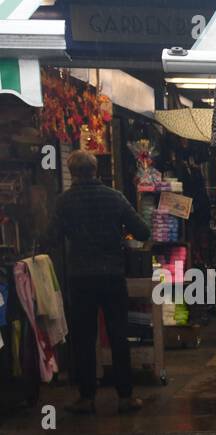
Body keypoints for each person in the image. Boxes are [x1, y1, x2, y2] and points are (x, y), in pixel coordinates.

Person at [44, 149, 151, 415]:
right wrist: (117, 232)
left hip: (80, 277)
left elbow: (51, 238)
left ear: (72, 173)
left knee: (83, 338)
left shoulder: (64, 202)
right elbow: (143, 231)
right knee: (118, 335)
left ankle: (87, 397)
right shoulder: (115, 198)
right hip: (112, 275)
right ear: (96, 170)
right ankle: (125, 396)